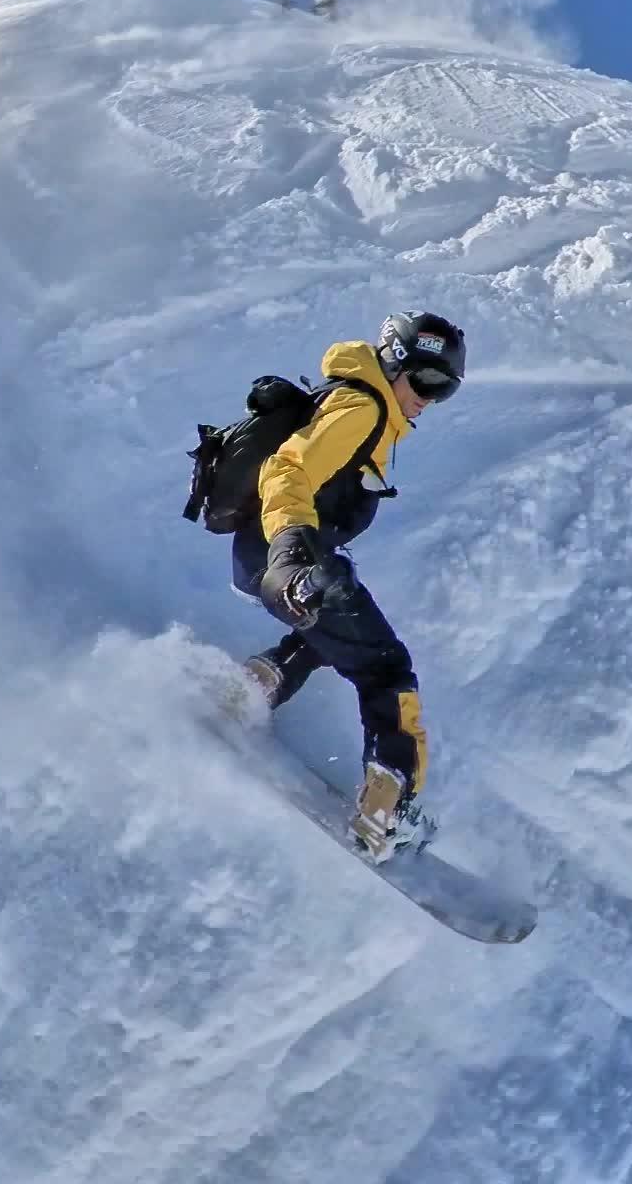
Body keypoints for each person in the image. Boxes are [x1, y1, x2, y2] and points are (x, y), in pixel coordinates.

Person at [231, 311, 466, 861]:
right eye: (427, 380)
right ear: (395, 364)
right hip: (285, 556)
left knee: (331, 635)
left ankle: (250, 687)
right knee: (386, 667)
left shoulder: (368, 412)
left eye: (446, 388)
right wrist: (290, 554)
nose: (430, 398)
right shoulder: (363, 408)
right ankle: (386, 811)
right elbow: (286, 470)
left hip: (272, 556)